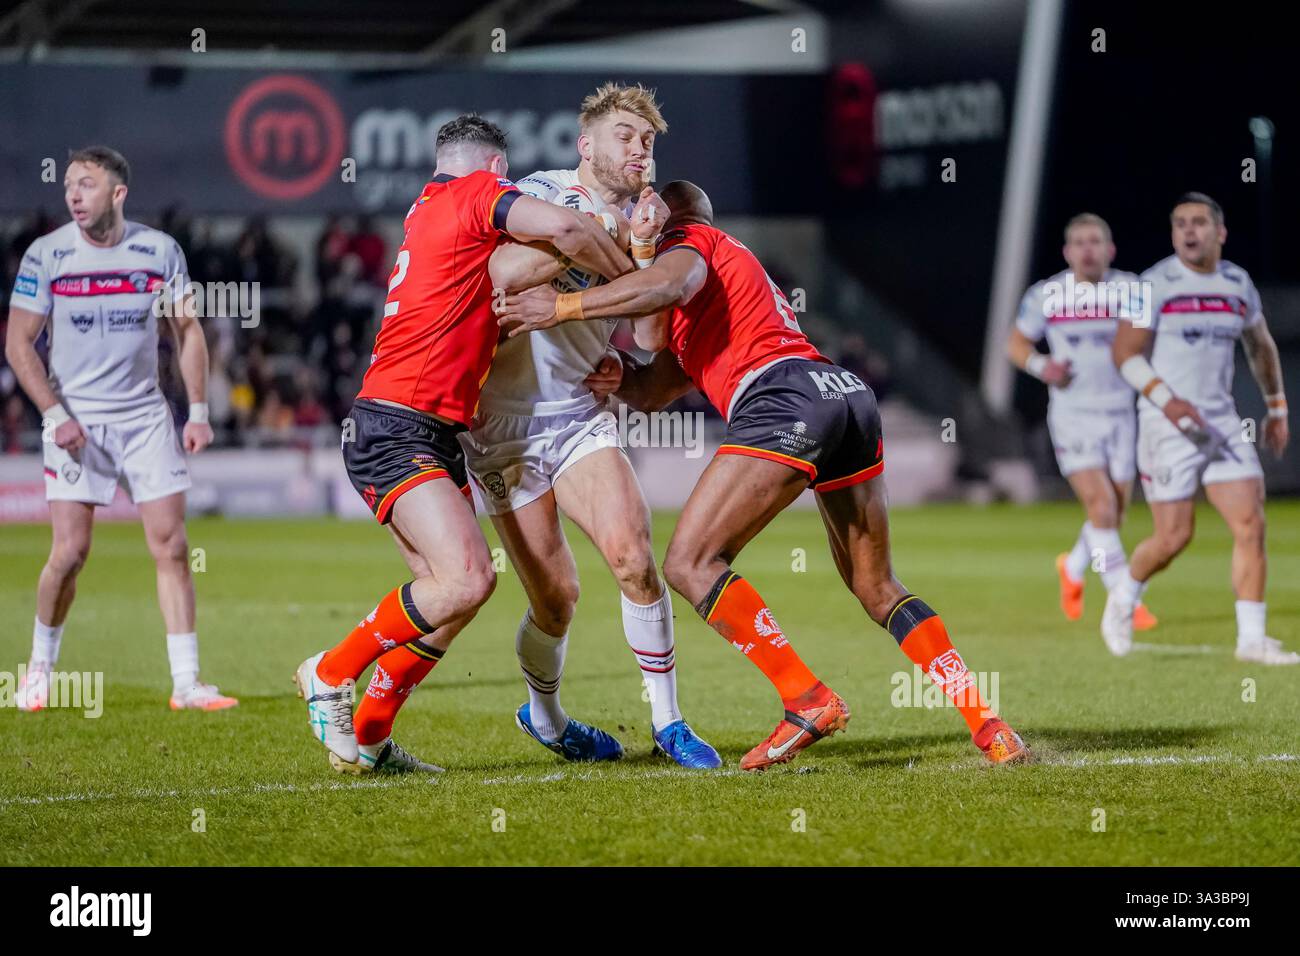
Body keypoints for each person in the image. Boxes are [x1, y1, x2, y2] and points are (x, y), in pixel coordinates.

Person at [497, 180, 1029, 770]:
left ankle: (806, 699)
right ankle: (990, 726)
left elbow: (669, 280)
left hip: (783, 397)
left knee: (688, 563)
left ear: (671, 219)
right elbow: (656, 385)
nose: (633, 216)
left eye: (645, 211)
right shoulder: (710, 294)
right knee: (878, 587)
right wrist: (619, 375)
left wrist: (564, 306)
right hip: (843, 394)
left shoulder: (691, 241)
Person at [294, 114, 635, 773]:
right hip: (397, 427)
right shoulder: (472, 195)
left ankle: (368, 739)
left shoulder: (429, 217)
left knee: (440, 602)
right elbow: (564, 228)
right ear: (496, 171)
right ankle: (329, 670)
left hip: (425, 429)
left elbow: (507, 286)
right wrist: (627, 271)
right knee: (469, 579)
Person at [464, 83, 718, 767]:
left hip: (580, 415)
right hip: (501, 429)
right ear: (587, 145)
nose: (640, 150)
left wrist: (641, 256)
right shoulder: (540, 195)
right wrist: (599, 242)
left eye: (649, 141)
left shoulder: (650, 218)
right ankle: (545, 719)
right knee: (557, 601)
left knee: (635, 560)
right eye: (627, 136)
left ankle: (668, 723)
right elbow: (499, 278)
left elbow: (647, 336)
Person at [4, 145, 236, 712]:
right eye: (67, 186)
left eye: (85, 184)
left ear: (117, 192)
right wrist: (54, 415)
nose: (72, 195)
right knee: (70, 553)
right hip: (76, 421)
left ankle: (186, 683)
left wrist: (198, 412)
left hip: (144, 418)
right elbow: (17, 343)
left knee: (173, 546)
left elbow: (187, 331)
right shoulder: (47, 254)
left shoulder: (157, 251)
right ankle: (38, 670)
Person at [1108, 193, 1294, 663]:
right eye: (1180, 224)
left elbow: (1261, 345)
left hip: (1222, 422)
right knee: (1174, 537)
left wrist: (1277, 406)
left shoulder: (1237, 283)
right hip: (1164, 424)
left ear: (1220, 233)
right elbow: (1124, 355)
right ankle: (1124, 597)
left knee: (1251, 523)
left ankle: (1251, 640)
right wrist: (1166, 401)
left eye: (1199, 223)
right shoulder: (1152, 283)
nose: (1189, 231)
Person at [1007, 213, 1156, 629]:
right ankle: (1124, 600)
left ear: (1110, 249)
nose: (1088, 250)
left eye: (1096, 242)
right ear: (1067, 252)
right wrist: (1041, 365)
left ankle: (1072, 567)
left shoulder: (1133, 288)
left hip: (1122, 412)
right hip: (1074, 415)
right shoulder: (1047, 294)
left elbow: (1148, 341)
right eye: (1080, 243)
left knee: (1113, 514)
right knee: (1102, 506)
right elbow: (1016, 343)